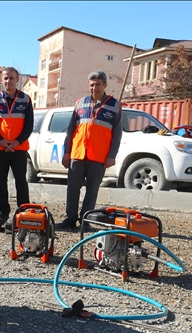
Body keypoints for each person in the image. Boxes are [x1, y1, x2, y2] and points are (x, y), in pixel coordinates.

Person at [58, 70, 122, 230]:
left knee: (92, 190)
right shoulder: (80, 103)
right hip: (77, 154)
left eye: (98, 84)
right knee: (72, 188)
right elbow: (70, 130)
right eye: (92, 85)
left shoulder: (115, 106)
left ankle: (85, 221)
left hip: (99, 156)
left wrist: (111, 155)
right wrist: (67, 152)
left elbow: (117, 135)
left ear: (105, 85)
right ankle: (70, 219)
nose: (94, 88)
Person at [0, 67, 34, 225]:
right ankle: (2, 212)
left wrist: (16, 142)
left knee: (21, 181)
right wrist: (2, 142)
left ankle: (24, 211)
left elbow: (29, 125)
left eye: (11, 78)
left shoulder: (26, 99)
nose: (8, 81)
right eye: (6, 78)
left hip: (18, 148)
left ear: (17, 79)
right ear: (1, 80)